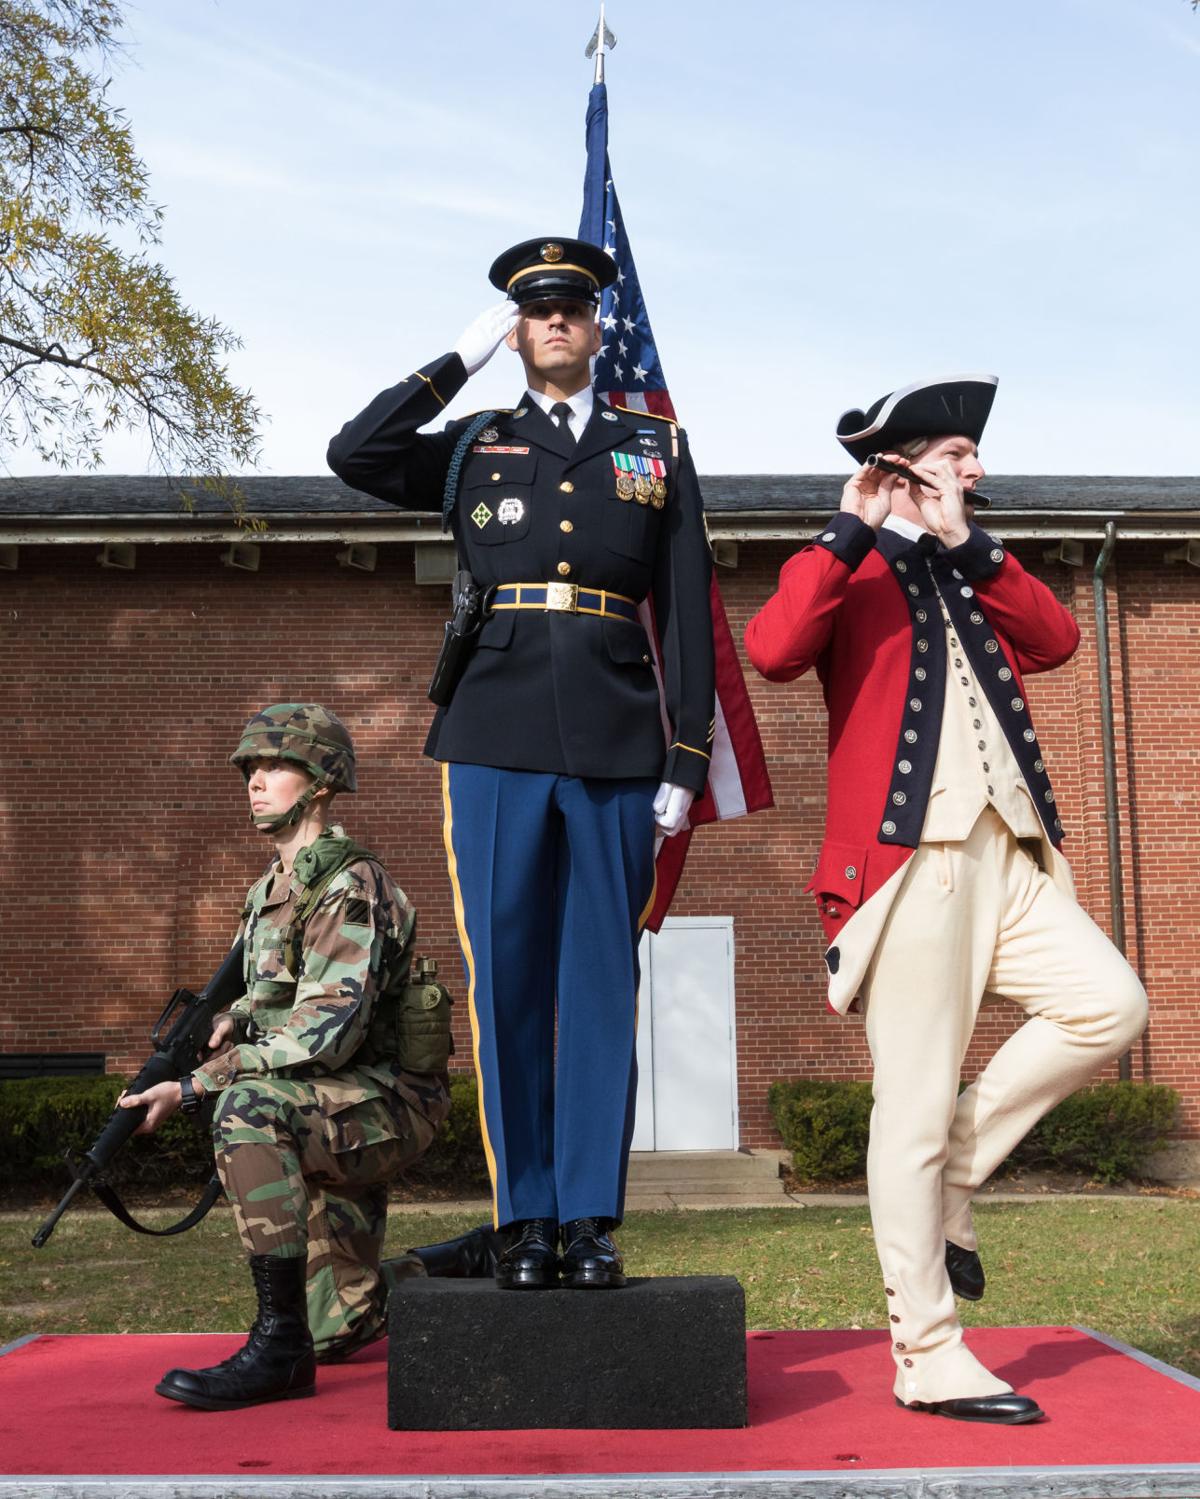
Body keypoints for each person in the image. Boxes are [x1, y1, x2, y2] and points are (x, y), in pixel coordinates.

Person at [744, 376, 1147, 1424]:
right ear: (912, 460)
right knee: (910, 1107)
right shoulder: (844, 564)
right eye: (959, 453)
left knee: (1111, 1004)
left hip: (1010, 856)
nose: (977, 468)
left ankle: (961, 1170)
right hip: (907, 865)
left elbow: (1056, 640)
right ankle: (925, 1350)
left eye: (974, 455)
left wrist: (966, 536)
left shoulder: (980, 566)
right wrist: (850, 524)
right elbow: (774, 650)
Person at [327, 237, 715, 1290]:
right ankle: (524, 1216)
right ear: (517, 329)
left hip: (618, 741)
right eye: (535, 311)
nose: (555, 323)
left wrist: (688, 751)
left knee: (599, 980)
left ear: (596, 329)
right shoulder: (473, 442)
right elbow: (354, 454)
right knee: (507, 984)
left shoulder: (654, 449)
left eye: (572, 310)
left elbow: (686, 613)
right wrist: (452, 365)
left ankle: (588, 1216)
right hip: (495, 736)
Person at [119, 703, 451, 1409]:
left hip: (386, 1100)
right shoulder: (266, 891)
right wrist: (230, 1018)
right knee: (343, 1325)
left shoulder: (348, 885)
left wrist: (196, 1083)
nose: (253, 779)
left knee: (244, 1109)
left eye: (273, 764)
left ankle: (277, 1346)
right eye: (249, 767)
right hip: (329, 1100)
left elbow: (323, 1030)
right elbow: (275, 995)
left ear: (323, 779)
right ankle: (463, 1261)